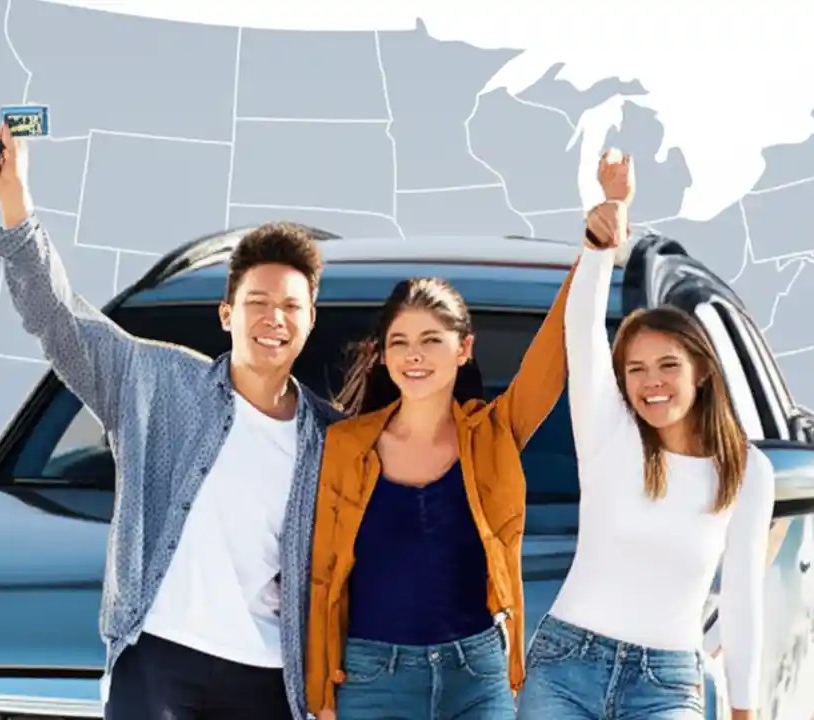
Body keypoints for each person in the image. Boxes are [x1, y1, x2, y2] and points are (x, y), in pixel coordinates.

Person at [0, 123, 341, 719]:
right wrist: (15, 200)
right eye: (257, 303)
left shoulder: (332, 441)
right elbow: (59, 320)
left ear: (309, 321)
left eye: (290, 307)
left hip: (271, 682)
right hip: (159, 660)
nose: (274, 318)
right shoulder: (156, 382)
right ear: (227, 314)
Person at [302, 202, 621, 718]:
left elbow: (556, 351)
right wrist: (321, 688)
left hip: (475, 675)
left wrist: (593, 251)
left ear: (463, 349)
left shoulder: (491, 434)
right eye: (400, 342)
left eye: (433, 340)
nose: (415, 355)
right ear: (382, 354)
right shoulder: (344, 446)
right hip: (368, 677)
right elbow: (321, 573)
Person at [515, 150, 776, 720]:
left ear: (702, 370)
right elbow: (581, 331)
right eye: (635, 369)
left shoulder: (746, 471)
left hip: (667, 682)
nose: (651, 384)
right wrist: (605, 231)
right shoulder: (608, 433)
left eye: (668, 367)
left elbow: (741, 599)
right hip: (566, 666)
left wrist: (744, 708)